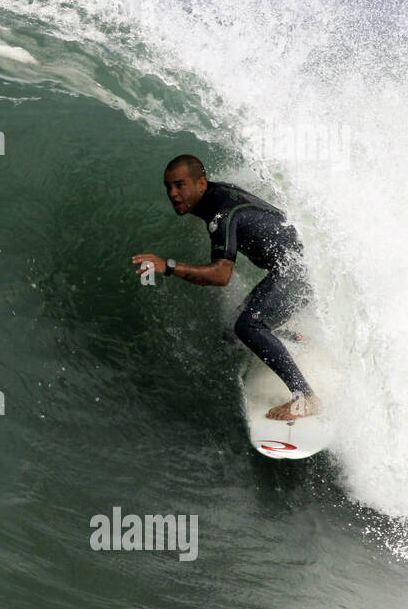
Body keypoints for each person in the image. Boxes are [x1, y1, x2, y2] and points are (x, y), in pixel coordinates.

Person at [131, 154, 320, 420]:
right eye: (168, 187)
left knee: (248, 326)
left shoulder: (222, 215)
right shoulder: (215, 195)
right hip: (299, 264)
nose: (172, 194)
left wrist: (168, 265)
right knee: (233, 335)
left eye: (180, 185)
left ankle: (305, 398)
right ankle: (295, 338)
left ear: (201, 183)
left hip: (298, 270)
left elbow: (221, 275)